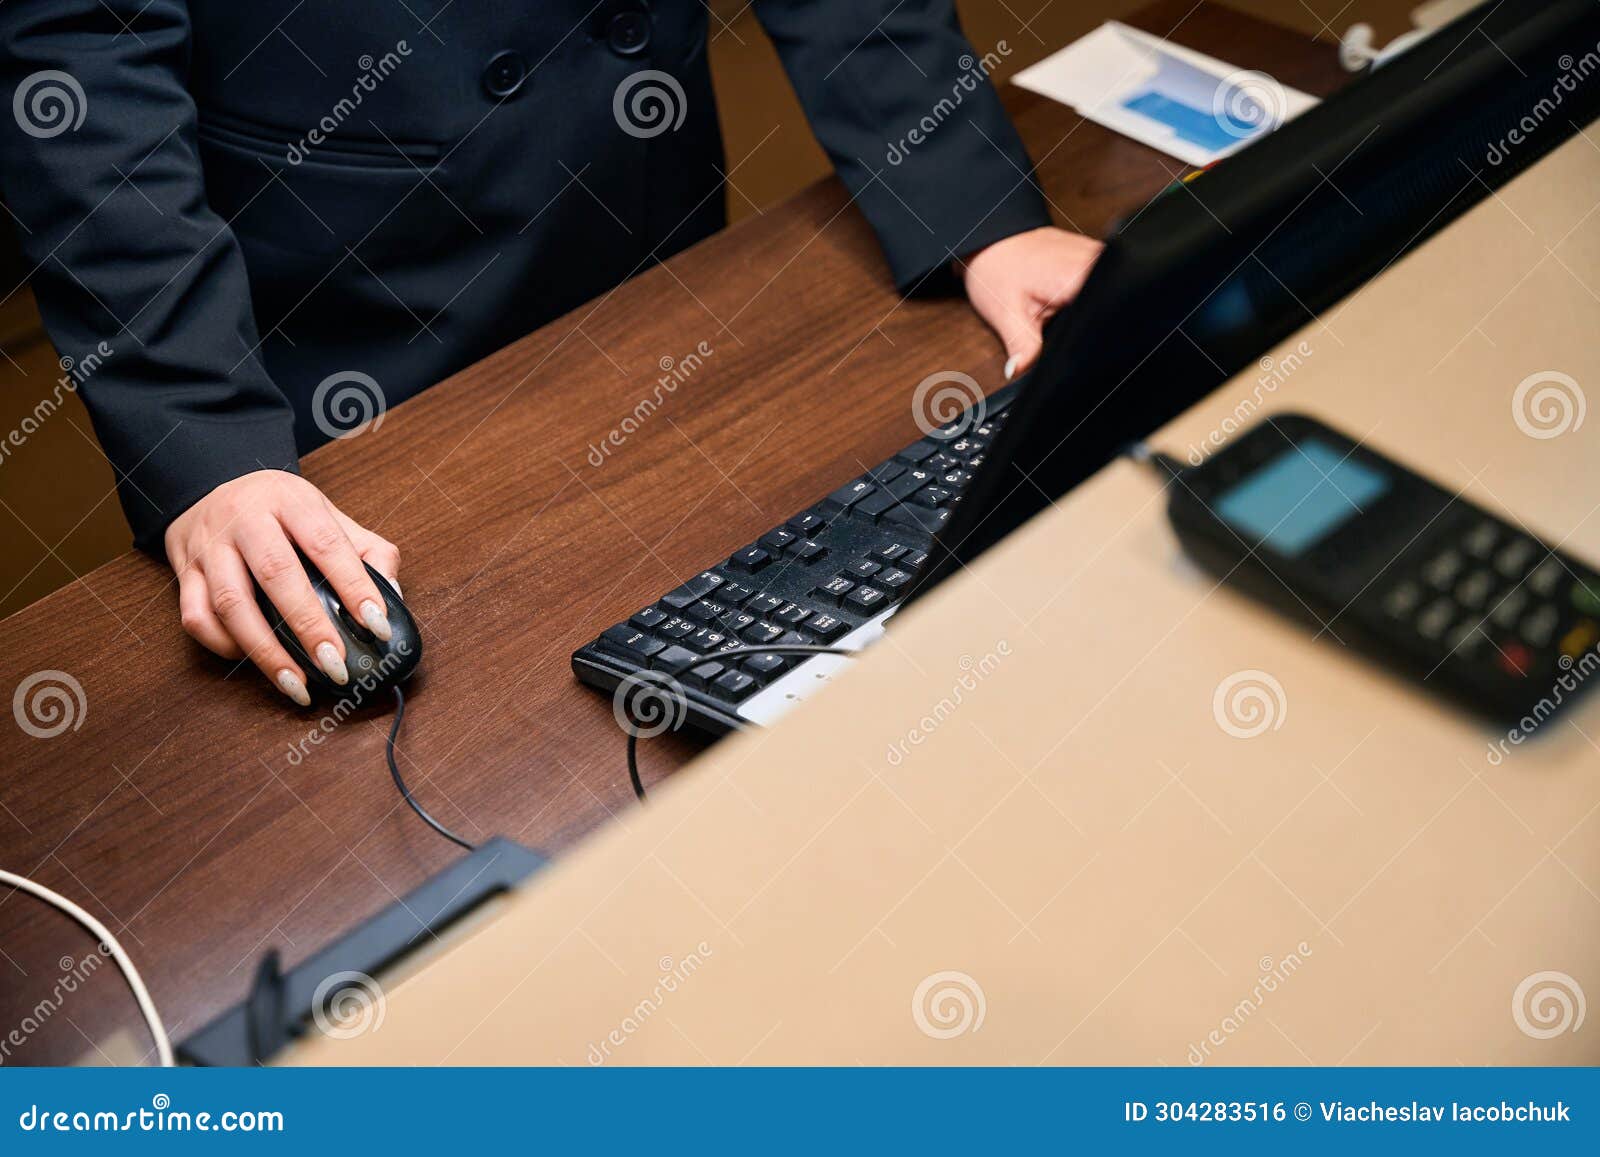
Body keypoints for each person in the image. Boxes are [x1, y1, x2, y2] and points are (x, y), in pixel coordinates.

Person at [0, 1, 1100, 706]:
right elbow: (82, 56)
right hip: (361, 313)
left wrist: (972, 206)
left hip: (654, 238)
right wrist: (202, 439)